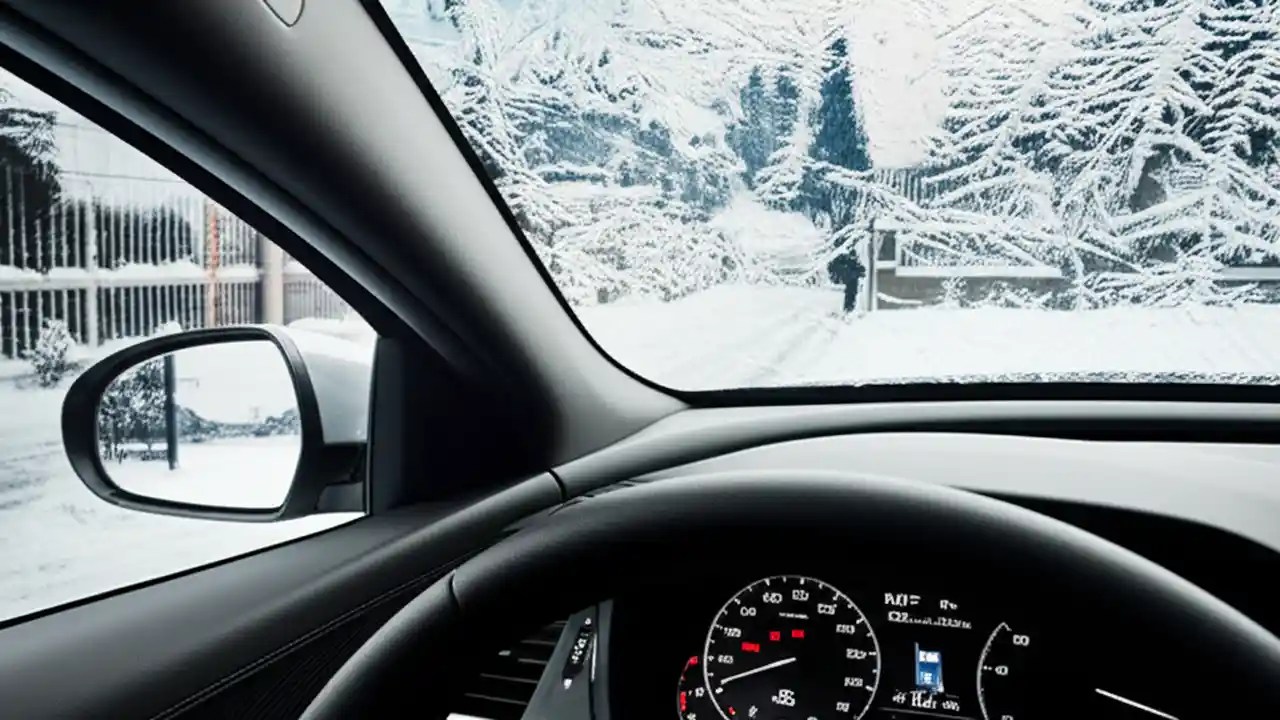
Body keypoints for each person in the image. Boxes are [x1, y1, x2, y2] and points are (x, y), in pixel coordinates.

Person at [828, 246, 867, 314]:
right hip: (843, 283)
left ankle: (849, 310)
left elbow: (861, 269)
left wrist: (860, 271)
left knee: (851, 295)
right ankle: (847, 310)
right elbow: (844, 272)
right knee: (849, 296)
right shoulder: (841, 259)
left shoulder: (852, 260)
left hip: (850, 283)